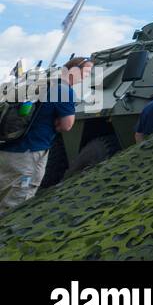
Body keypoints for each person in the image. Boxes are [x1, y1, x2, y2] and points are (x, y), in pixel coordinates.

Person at [0, 57, 93, 216]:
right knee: (15, 205)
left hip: (8, 147)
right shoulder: (64, 90)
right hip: (29, 154)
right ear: (73, 69)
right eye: (86, 72)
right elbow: (67, 125)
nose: (86, 76)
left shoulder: (40, 84)